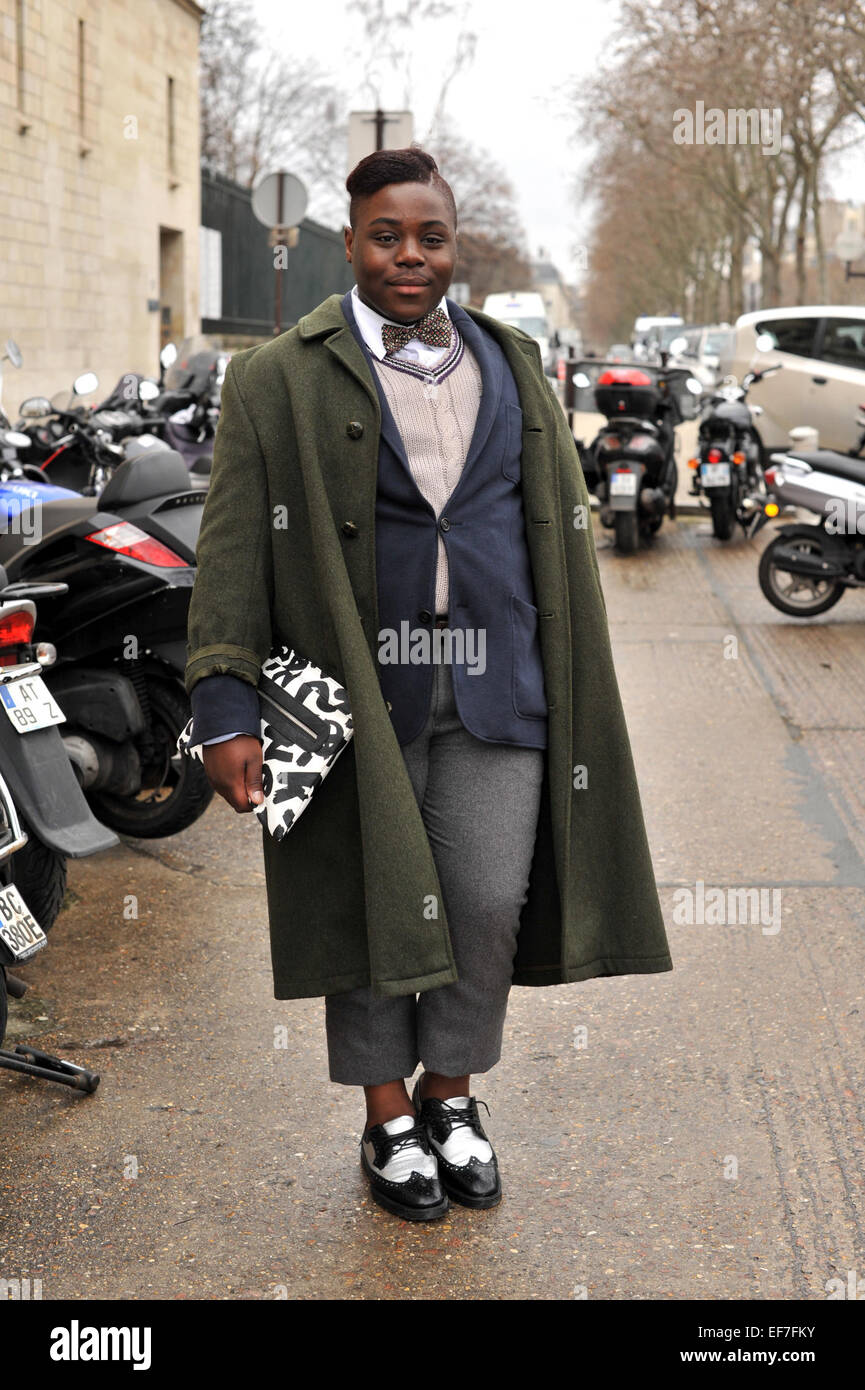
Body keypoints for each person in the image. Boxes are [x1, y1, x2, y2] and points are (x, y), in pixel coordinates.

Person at [184, 146, 672, 1223]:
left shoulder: (513, 360)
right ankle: (385, 1116)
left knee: (488, 900)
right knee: (372, 906)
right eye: (386, 236)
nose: (410, 255)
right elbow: (229, 556)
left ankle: (452, 1093)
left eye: (430, 236)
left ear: (455, 245)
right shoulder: (273, 378)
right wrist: (222, 702)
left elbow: (543, 524)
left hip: (499, 684)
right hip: (353, 693)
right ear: (351, 241)